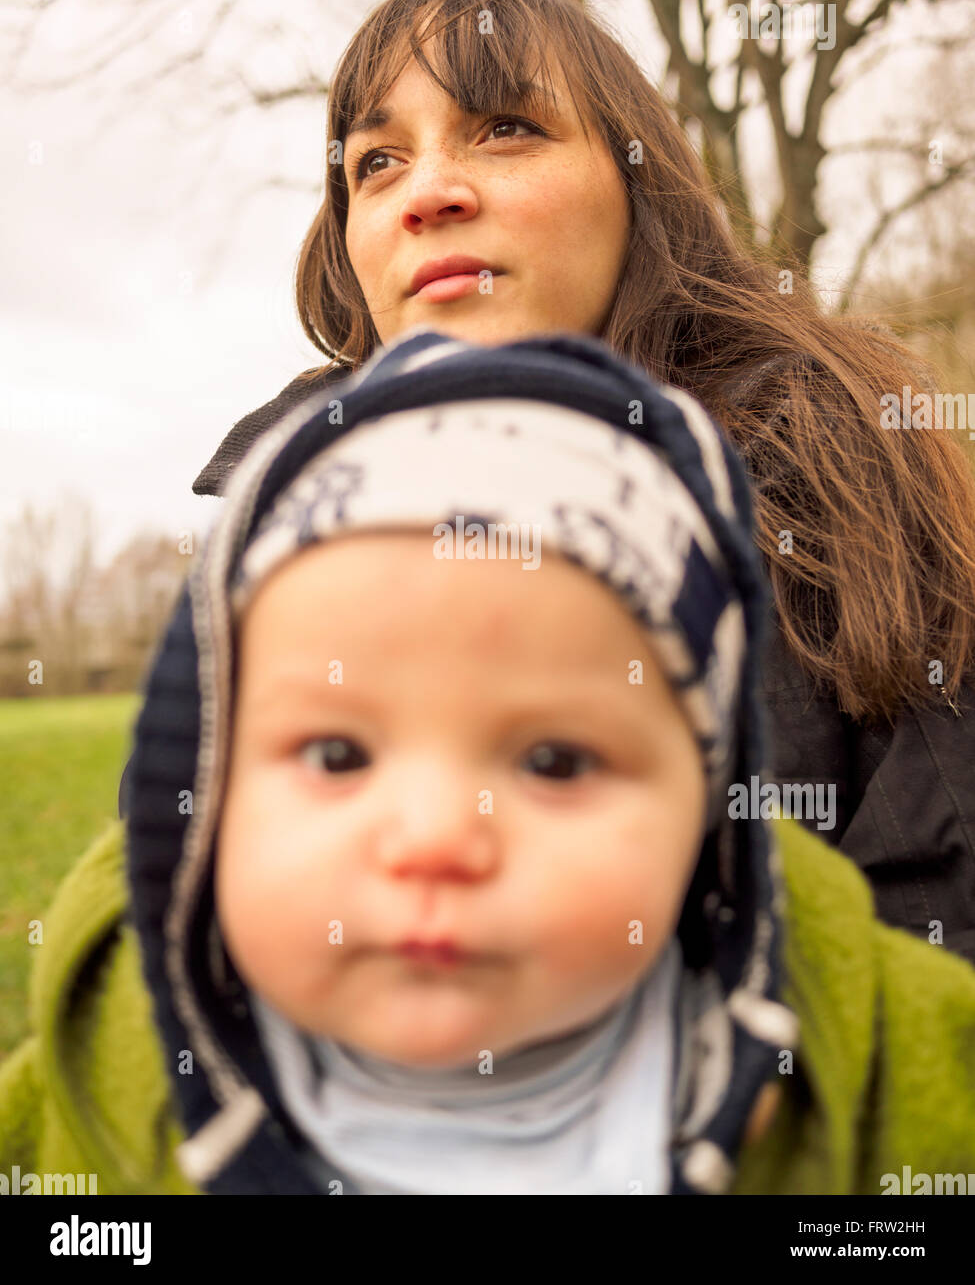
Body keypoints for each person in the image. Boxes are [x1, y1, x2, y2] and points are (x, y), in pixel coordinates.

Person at [7, 328, 975, 1195]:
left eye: (555, 760)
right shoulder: (89, 1095)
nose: (434, 837)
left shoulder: (903, 1069)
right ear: (207, 792)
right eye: (337, 753)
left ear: (708, 812)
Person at [159, 0, 975, 962]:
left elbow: (944, 946)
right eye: (376, 162)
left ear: (640, 187)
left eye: (504, 128)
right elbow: (172, 929)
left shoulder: (837, 456)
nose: (429, 192)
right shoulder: (274, 532)